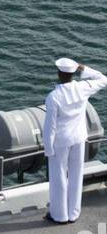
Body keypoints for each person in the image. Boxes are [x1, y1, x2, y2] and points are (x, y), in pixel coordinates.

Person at [44, 59, 107, 223]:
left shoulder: (53, 97)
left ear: (59, 74)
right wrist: (83, 68)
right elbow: (103, 79)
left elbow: (50, 127)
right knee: (76, 175)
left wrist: (48, 149)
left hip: (61, 141)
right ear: (72, 73)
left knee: (58, 177)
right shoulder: (82, 88)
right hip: (79, 138)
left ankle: (59, 215)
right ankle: (73, 213)